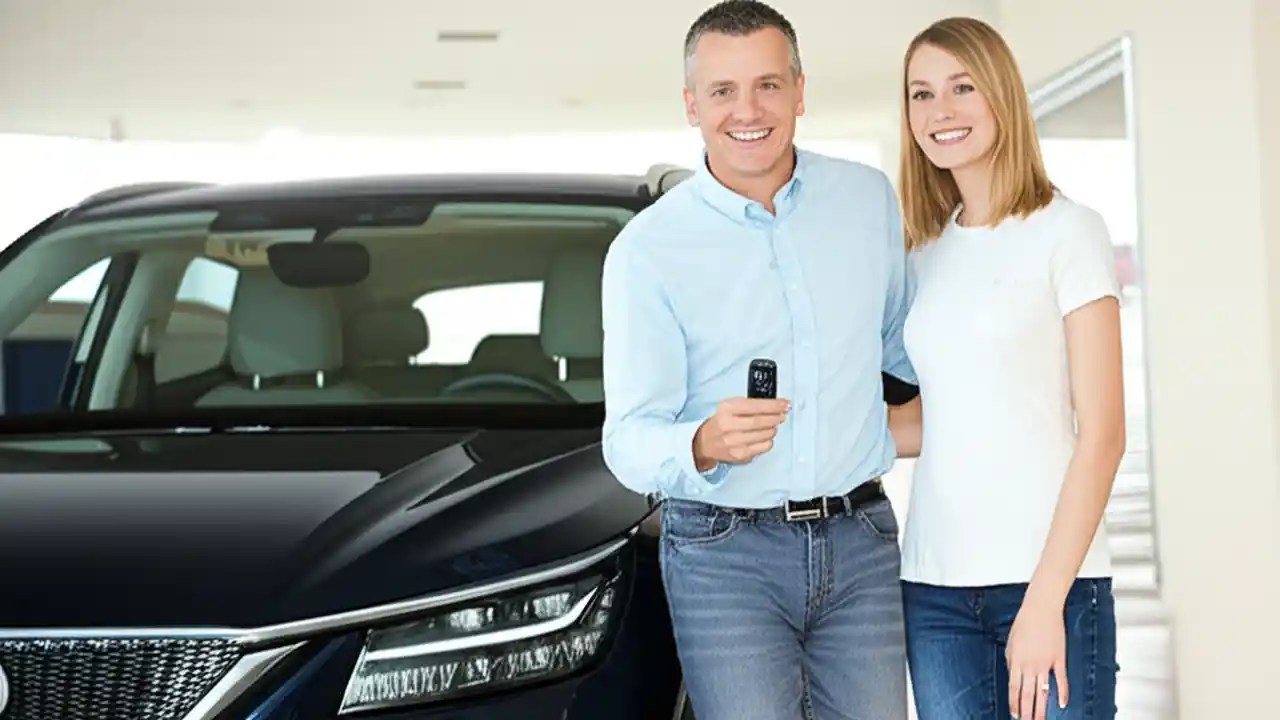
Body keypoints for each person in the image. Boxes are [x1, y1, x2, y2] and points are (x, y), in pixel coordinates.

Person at [599, 1, 918, 718]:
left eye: (768, 85)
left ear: (800, 92)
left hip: (860, 539)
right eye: (723, 90)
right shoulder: (647, 252)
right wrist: (702, 442)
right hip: (724, 556)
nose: (748, 110)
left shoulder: (866, 201)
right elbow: (627, 440)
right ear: (692, 105)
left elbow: (903, 353)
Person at [887, 16, 1125, 720]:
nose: (941, 110)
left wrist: (1046, 601)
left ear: (1002, 95)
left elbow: (1104, 434)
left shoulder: (1068, 231)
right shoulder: (923, 253)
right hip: (934, 589)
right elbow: (938, 421)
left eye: (962, 87)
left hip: (1051, 583)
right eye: (922, 94)